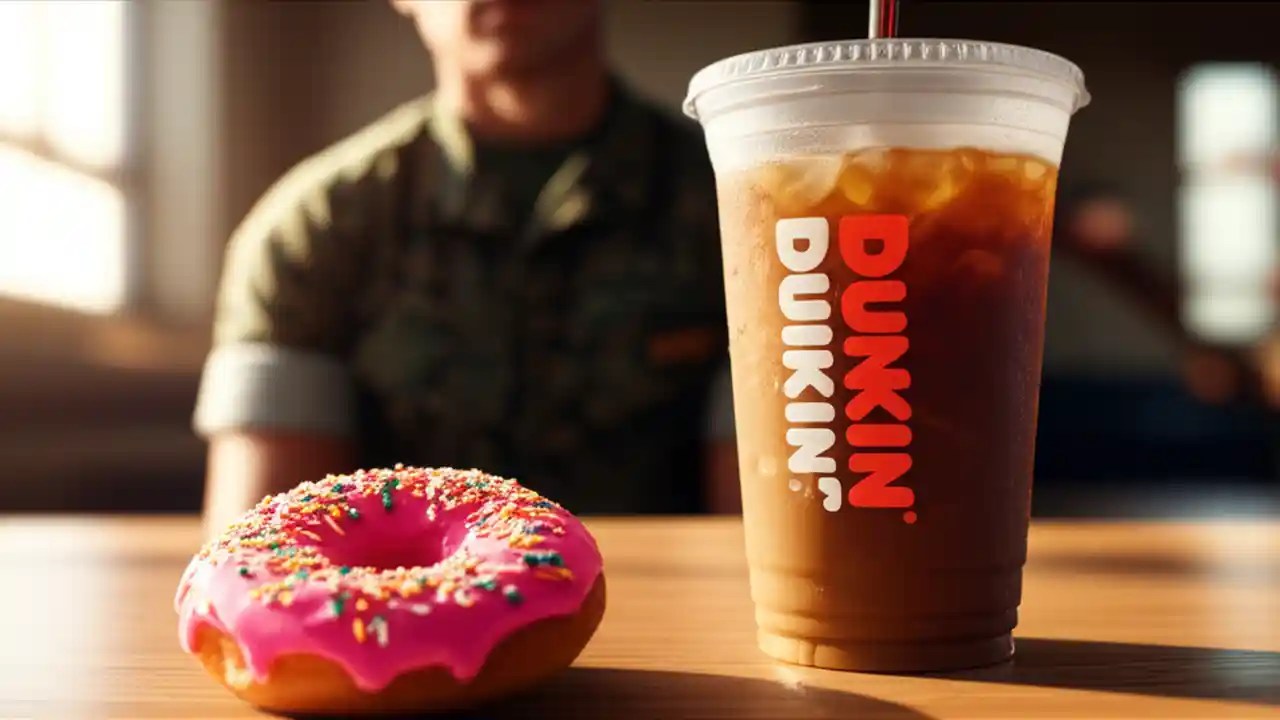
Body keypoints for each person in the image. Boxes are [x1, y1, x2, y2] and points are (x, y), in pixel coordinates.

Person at [194, 0, 740, 535]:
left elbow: (762, 537)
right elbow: (261, 562)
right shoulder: (316, 229)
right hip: (390, 617)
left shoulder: (741, 211)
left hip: (666, 613)